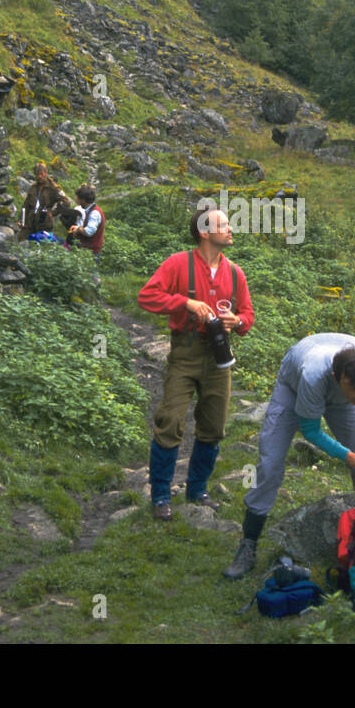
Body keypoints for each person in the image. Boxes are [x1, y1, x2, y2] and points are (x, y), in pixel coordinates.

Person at [222, 333, 355, 580]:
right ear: (338, 378)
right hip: (292, 388)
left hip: (339, 401)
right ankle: (248, 544)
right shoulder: (313, 375)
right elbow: (310, 430)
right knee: (270, 463)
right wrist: (350, 457)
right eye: (353, 395)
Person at [137, 205, 254, 521]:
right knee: (171, 420)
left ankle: (197, 489)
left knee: (214, 426)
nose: (231, 229)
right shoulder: (177, 264)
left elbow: (248, 316)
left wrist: (236, 321)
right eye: (224, 224)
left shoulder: (235, 273)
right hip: (185, 354)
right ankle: (161, 496)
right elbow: (146, 296)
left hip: (219, 358)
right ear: (205, 232)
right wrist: (185, 302)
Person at [20, 162, 71, 240]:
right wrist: (22, 220)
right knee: (22, 242)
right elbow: (26, 205)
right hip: (30, 223)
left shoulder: (53, 187)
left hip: (45, 223)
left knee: (42, 245)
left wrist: (53, 212)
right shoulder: (33, 187)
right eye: (37, 174)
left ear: (46, 173)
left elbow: (66, 202)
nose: (39, 176)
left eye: (41, 174)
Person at [65, 183, 105, 261]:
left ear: (83, 200)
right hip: (88, 250)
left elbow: (89, 231)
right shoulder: (90, 210)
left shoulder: (94, 213)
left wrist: (78, 229)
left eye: (77, 197)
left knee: (91, 273)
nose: (76, 199)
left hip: (92, 252)